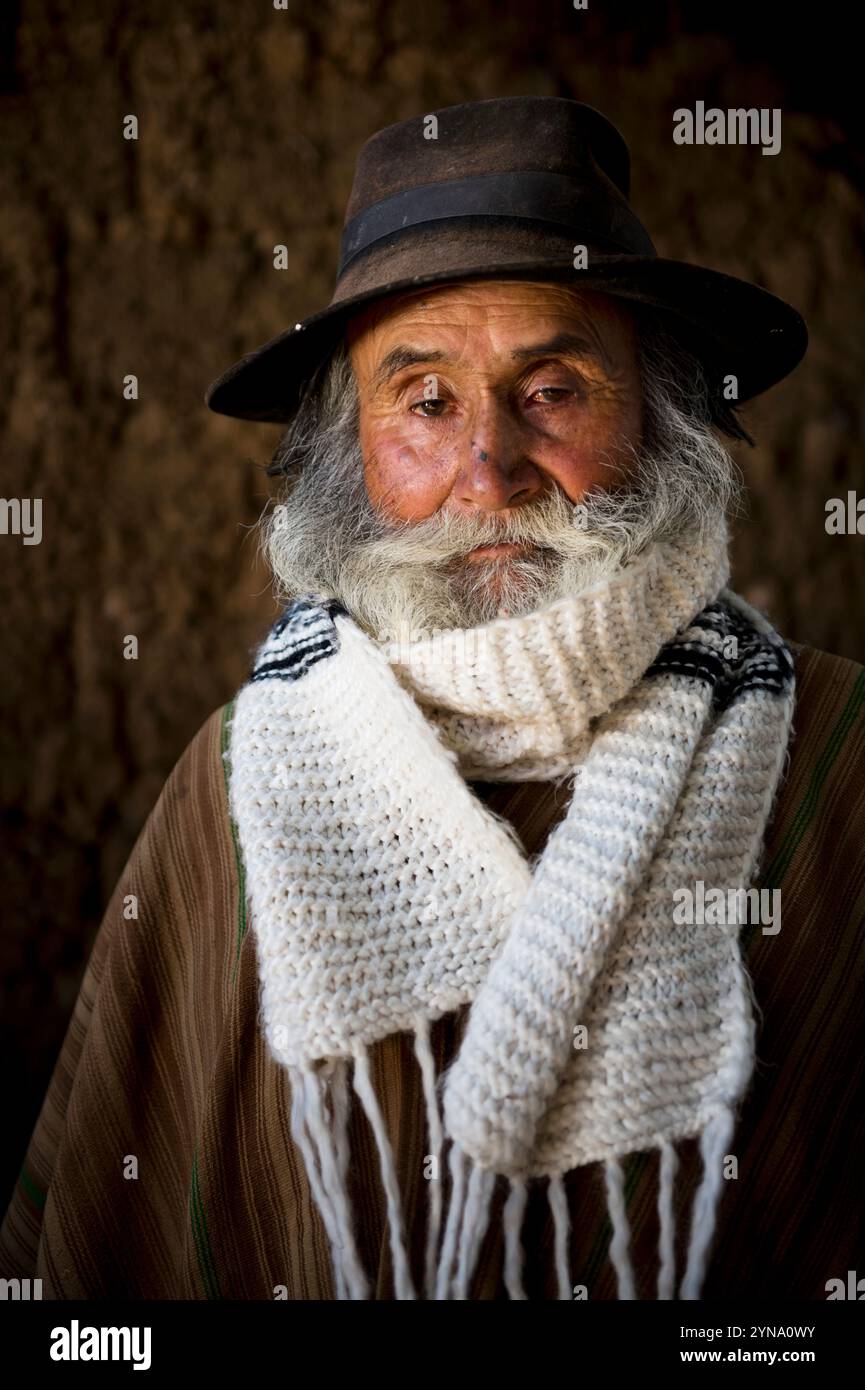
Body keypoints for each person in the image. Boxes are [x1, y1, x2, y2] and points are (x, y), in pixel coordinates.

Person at [2, 96, 863, 1302]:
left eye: (554, 388)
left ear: (661, 418)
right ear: (352, 454)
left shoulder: (840, 758)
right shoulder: (240, 774)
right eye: (423, 400)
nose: (488, 471)